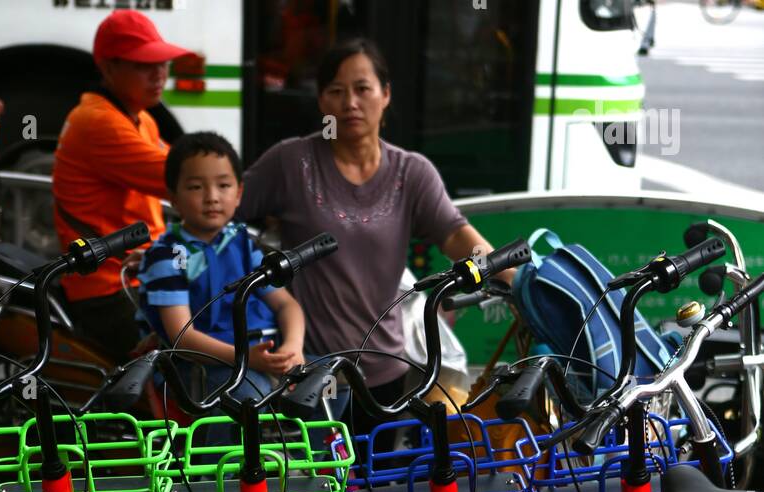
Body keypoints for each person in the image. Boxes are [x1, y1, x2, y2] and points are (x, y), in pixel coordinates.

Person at [238, 38, 508, 434]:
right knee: (319, 490)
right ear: (321, 102)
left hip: (385, 368)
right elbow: (226, 211)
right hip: (311, 373)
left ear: (385, 95)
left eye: (362, 88)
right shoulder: (291, 162)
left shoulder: (411, 172)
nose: (350, 102)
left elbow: (453, 234)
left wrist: (512, 276)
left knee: (379, 490)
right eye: (336, 91)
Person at [52, 11, 189, 362]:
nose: (160, 74)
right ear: (109, 68)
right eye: (145, 65)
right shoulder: (101, 123)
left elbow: (186, 171)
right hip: (112, 286)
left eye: (163, 63)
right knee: (194, 353)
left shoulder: (140, 117)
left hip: (143, 271)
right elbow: (184, 180)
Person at [135, 131, 307, 409]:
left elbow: (287, 305)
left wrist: (293, 348)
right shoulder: (169, 254)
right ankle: (217, 455)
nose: (212, 197)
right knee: (251, 392)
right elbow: (182, 337)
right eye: (195, 187)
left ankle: (315, 455)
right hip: (200, 367)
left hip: (264, 354)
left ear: (239, 193)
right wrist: (245, 357)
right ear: (173, 198)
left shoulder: (241, 244)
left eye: (224, 185)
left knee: (333, 381)